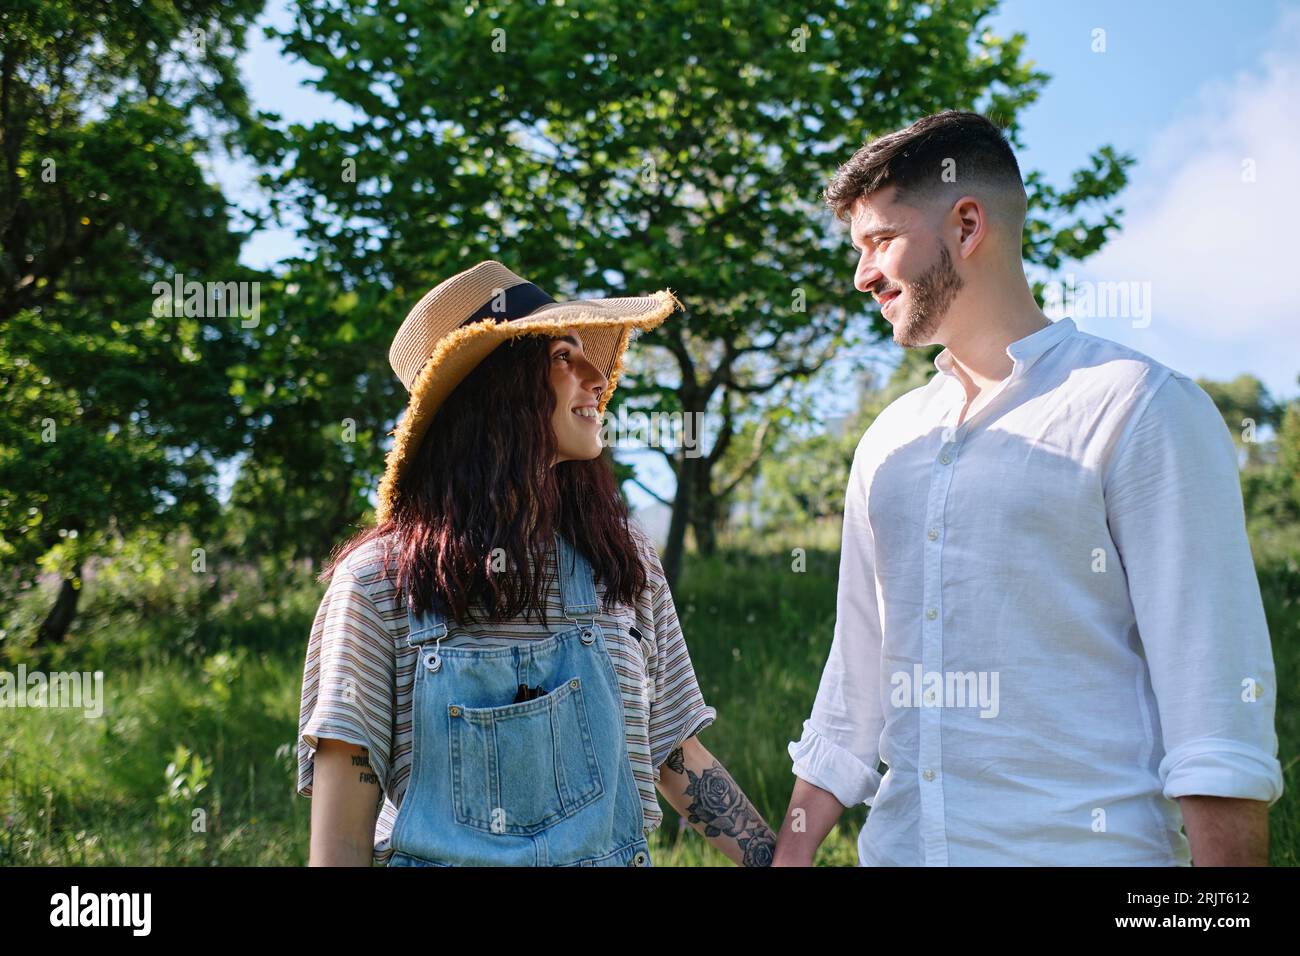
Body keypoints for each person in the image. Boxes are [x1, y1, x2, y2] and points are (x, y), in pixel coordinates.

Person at [774, 110, 1284, 866]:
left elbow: (1214, 710)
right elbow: (854, 681)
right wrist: (790, 854)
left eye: (880, 241)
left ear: (967, 224)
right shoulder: (889, 441)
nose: (862, 274)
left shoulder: (1140, 406)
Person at [297, 260, 775, 866]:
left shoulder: (621, 561)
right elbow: (340, 845)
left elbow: (675, 752)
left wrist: (779, 860)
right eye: (561, 357)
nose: (598, 376)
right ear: (497, 389)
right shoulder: (377, 584)